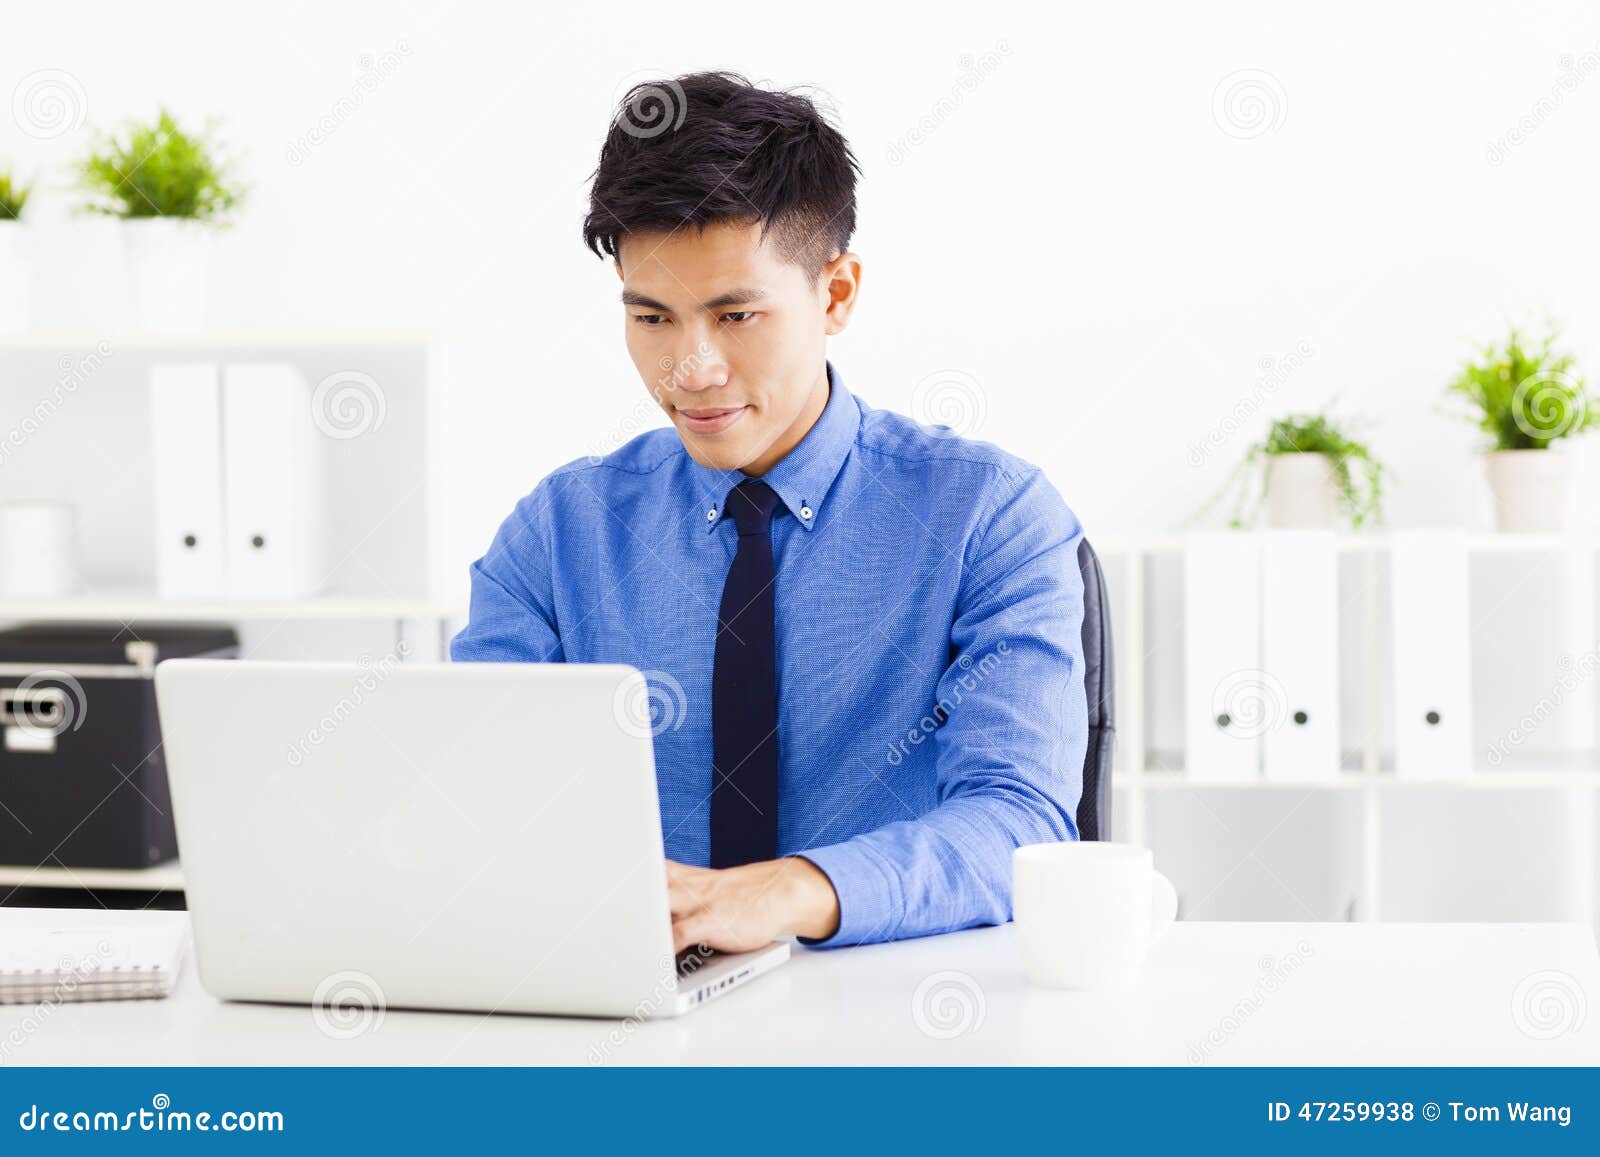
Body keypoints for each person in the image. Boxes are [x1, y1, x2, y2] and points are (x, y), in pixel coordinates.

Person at [451, 71, 1087, 952]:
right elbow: (473, 804)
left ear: (836, 294)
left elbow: (1022, 824)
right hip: (624, 1016)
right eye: (652, 318)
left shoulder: (989, 514)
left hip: (892, 1011)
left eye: (736, 313)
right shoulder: (559, 535)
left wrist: (795, 891)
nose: (691, 367)